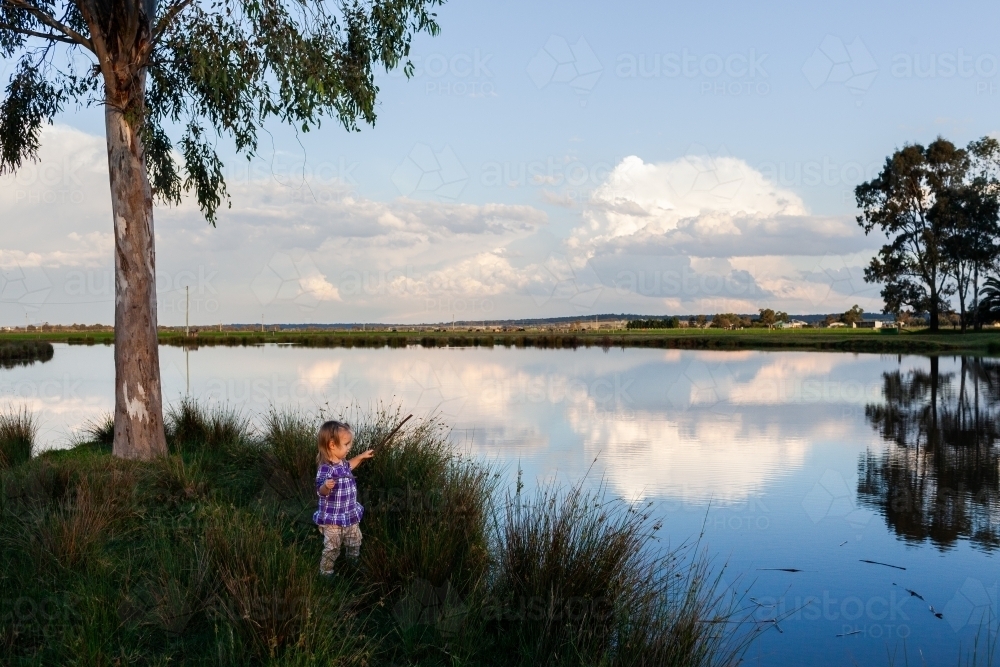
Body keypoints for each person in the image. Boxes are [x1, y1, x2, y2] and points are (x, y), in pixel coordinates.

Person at [314, 420, 373, 576]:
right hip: (333, 520)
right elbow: (320, 491)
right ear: (332, 445)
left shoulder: (342, 463)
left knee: (355, 541)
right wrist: (326, 486)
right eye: (346, 444)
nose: (349, 447)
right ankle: (326, 573)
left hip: (349, 514)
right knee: (332, 547)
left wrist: (361, 456)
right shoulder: (325, 469)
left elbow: (350, 465)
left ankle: (352, 562)